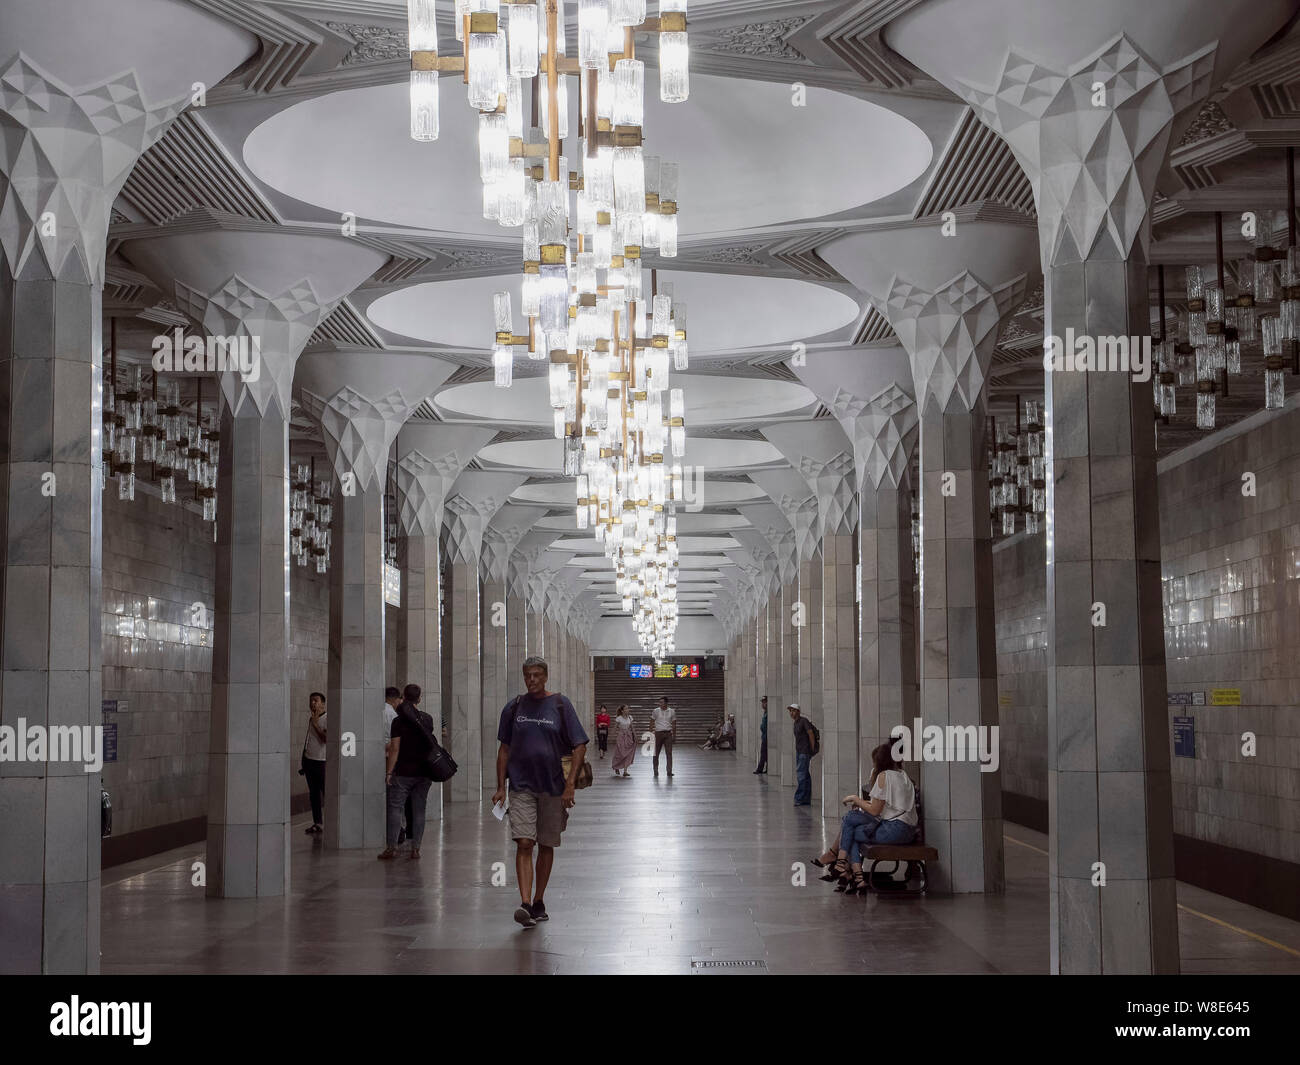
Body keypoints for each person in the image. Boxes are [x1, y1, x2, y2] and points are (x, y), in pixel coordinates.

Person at [492, 656, 589, 928]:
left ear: (545, 676)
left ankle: (538, 900)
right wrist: (501, 786)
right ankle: (524, 903)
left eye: (536, 675)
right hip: (522, 785)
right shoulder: (514, 708)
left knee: (546, 844)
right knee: (524, 842)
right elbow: (504, 749)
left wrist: (570, 785)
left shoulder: (560, 705)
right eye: (527, 675)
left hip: (553, 787)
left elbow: (579, 745)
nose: (531, 680)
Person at [813, 742, 918, 894]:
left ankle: (846, 869)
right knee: (851, 823)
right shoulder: (903, 775)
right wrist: (861, 803)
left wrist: (856, 799)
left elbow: (875, 810)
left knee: (851, 830)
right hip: (907, 831)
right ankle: (848, 871)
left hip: (894, 830)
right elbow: (886, 805)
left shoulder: (884, 776)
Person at [378, 684, 436, 861]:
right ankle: (416, 849)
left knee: (395, 809)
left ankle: (391, 848)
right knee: (419, 810)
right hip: (424, 772)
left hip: (403, 772)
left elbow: (394, 749)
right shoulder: (427, 719)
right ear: (419, 698)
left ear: (404, 697)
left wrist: (389, 772)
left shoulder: (398, 721)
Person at [383, 686, 415, 845]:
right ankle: (402, 836)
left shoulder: (380, 712)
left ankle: (392, 841)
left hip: (385, 760)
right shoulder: (393, 716)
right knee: (398, 803)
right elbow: (394, 746)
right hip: (394, 762)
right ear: (395, 699)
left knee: (392, 801)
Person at [302, 692, 327, 833]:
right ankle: (318, 823)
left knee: (325, 792)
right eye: (311, 700)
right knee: (314, 794)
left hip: (321, 761)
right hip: (309, 760)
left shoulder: (326, 718)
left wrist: (316, 724)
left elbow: (326, 739)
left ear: (322, 703)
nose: (313, 703)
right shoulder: (311, 718)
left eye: (316, 701)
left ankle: (330, 822)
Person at [789, 702, 817, 806]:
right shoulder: (796, 723)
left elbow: (810, 734)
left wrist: (812, 748)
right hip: (799, 751)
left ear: (798, 712)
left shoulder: (803, 721)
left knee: (801, 774)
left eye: (793, 710)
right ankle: (806, 798)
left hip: (804, 752)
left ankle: (799, 798)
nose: (791, 713)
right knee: (805, 775)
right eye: (790, 711)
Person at [651, 695, 676, 777]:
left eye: (662, 702)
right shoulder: (656, 711)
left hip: (668, 733)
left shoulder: (672, 711)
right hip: (658, 733)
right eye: (659, 702)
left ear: (666, 703)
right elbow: (651, 722)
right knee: (656, 753)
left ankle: (669, 771)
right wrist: (651, 732)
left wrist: (674, 735)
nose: (660, 703)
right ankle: (655, 770)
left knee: (669, 753)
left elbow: (674, 724)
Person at [611, 705, 636, 776]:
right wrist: (612, 736)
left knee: (628, 753)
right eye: (626, 709)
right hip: (621, 736)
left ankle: (625, 771)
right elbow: (615, 728)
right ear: (622, 711)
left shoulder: (630, 717)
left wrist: (635, 736)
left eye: (628, 708)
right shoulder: (619, 718)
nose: (628, 710)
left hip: (628, 736)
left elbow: (632, 727)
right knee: (619, 753)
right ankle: (616, 766)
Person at [754, 696, 769, 774]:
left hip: (767, 736)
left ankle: (759, 769)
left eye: (764, 702)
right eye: (762, 702)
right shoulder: (765, 712)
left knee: (763, 753)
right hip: (764, 735)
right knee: (765, 753)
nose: (763, 704)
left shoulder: (769, 712)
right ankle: (767, 768)